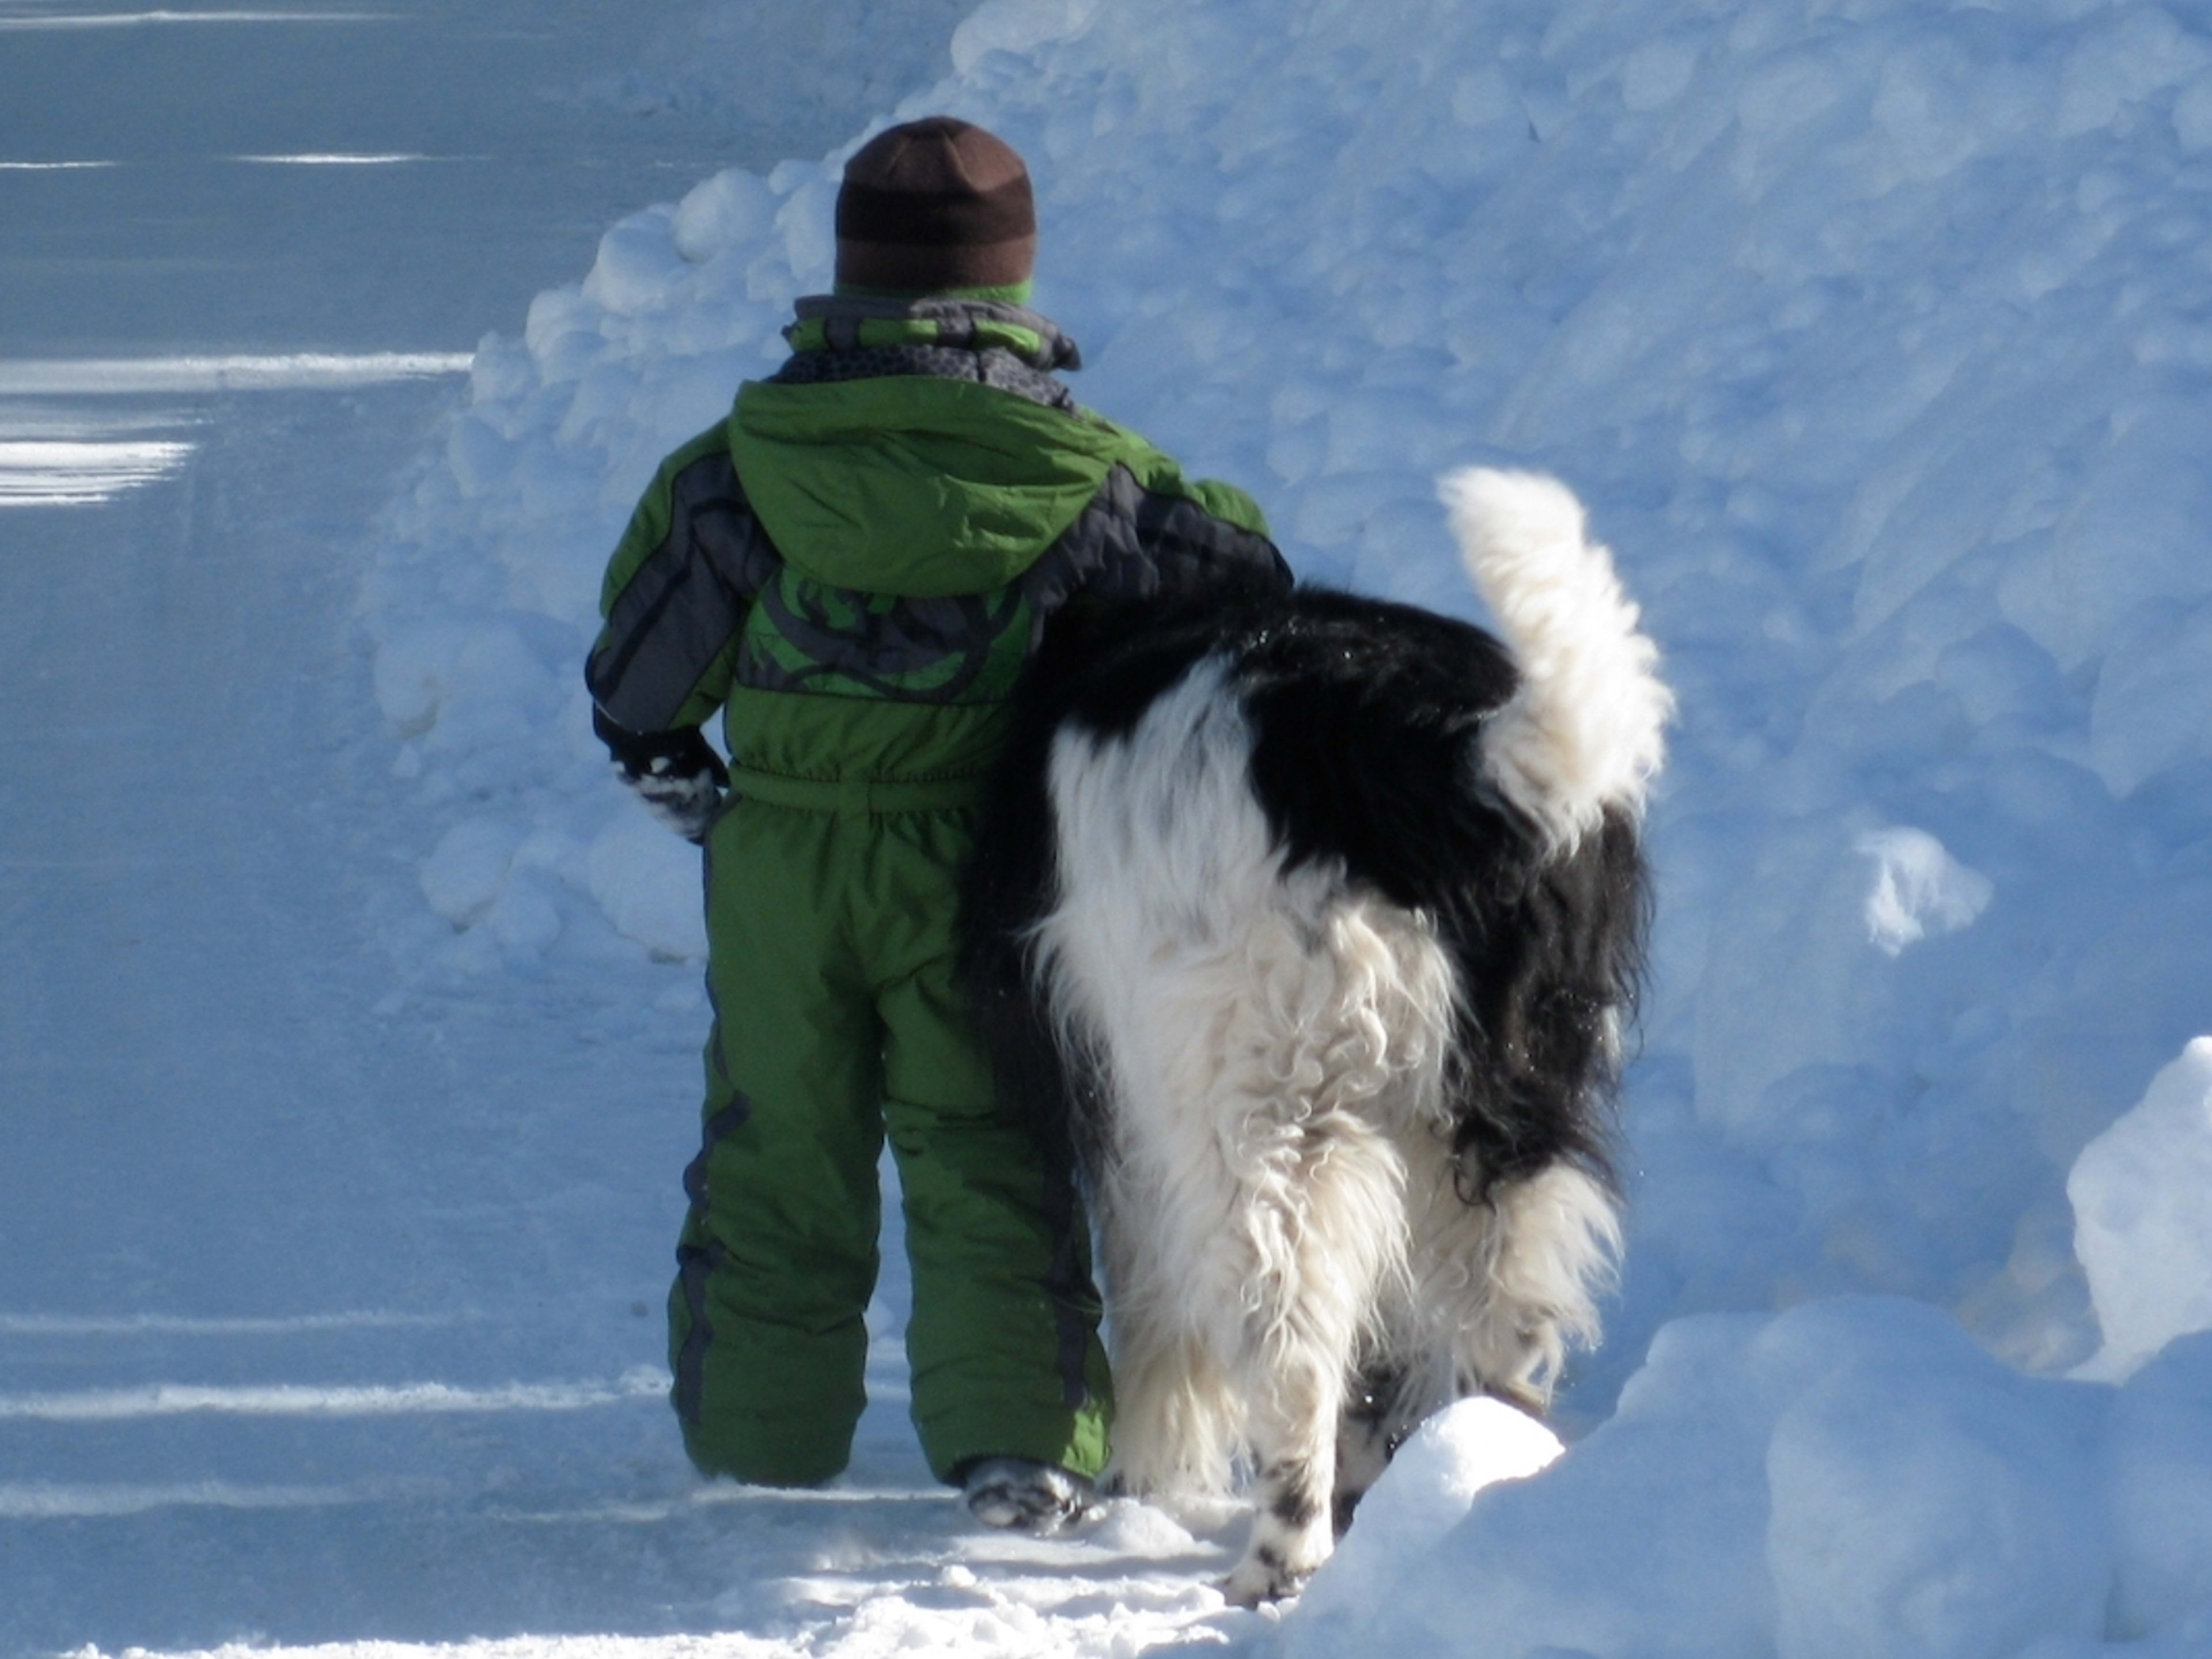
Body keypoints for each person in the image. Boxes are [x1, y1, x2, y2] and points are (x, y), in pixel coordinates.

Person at [585, 116, 1290, 1531]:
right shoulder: (1080, 477)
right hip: (988, 869)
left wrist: (671, 765)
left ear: (846, 280)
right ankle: (1020, 1445)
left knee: (778, 1136)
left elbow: (638, 672)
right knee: (992, 1145)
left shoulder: (737, 470)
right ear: (1015, 289)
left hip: (784, 860)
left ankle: (760, 1438)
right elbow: (1250, 590)